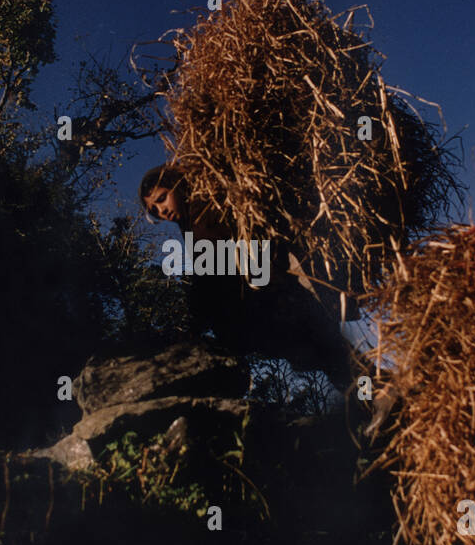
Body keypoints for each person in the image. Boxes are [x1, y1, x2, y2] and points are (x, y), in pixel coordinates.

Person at [139, 163, 357, 391]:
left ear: (177, 186)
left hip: (277, 298)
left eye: (162, 198)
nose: (161, 211)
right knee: (331, 357)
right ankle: (377, 397)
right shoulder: (191, 223)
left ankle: (379, 394)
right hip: (274, 297)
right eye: (154, 210)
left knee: (333, 355)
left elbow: (212, 274)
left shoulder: (204, 212)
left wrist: (194, 322)